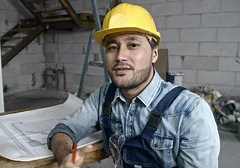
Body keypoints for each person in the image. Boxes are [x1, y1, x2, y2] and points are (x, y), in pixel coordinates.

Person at [47, 3, 220, 168]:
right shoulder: (104, 96)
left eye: (133, 45)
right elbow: (64, 130)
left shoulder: (191, 111)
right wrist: (64, 157)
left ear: (154, 55)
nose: (120, 56)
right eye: (112, 47)